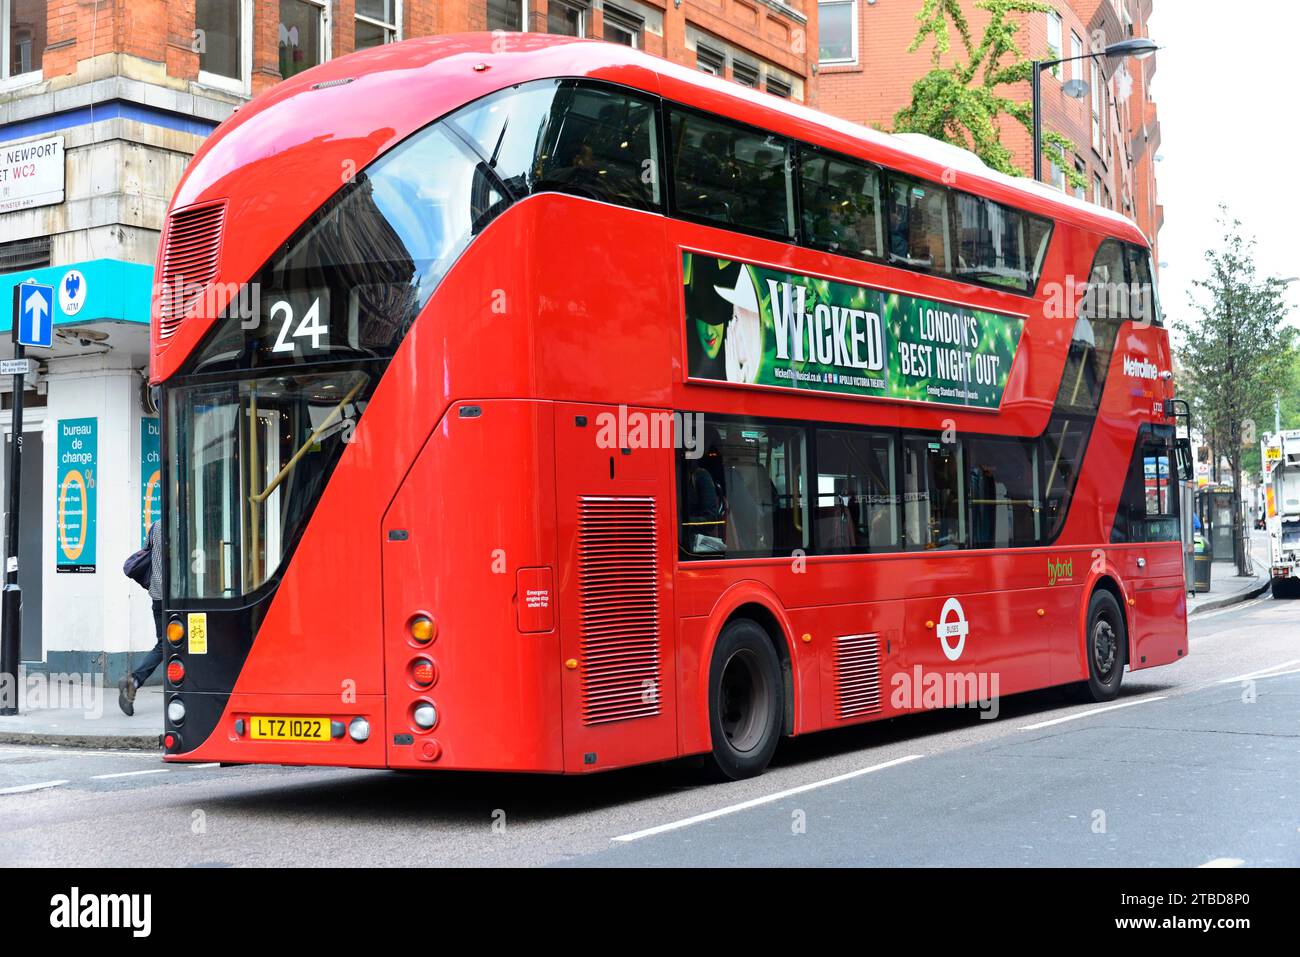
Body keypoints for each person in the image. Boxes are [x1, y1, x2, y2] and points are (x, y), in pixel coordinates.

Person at [119, 519, 164, 716]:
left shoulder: (156, 525)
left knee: (165, 644)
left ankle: (134, 682)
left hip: (158, 595)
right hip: (179, 597)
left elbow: (148, 552)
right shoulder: (186, 522)